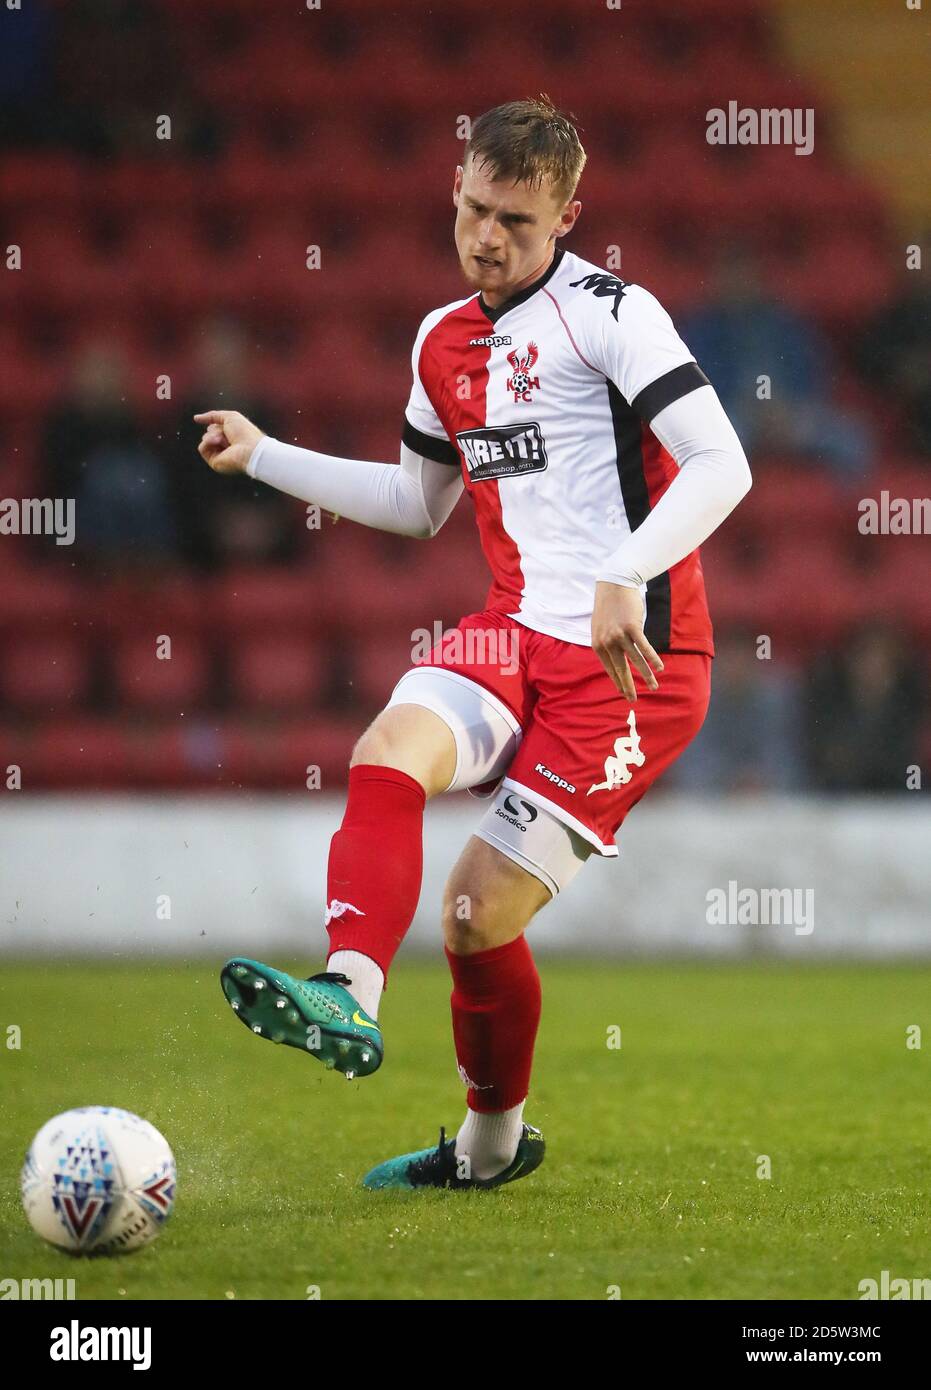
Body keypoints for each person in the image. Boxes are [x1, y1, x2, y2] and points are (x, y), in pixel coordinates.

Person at [195, 98, 751, 1191]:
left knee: (471, 915)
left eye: (517, 221)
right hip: (511, 631)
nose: (487, 239)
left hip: (634, 661)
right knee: (388, 747)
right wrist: (265, 456)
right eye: (472, 210)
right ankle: (347, 989)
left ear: (567, 217)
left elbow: (723, 463)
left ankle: (489, 1149)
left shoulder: (612, 315)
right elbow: (415, 502)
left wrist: (624, 571)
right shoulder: (441, 338)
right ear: (453, 191)